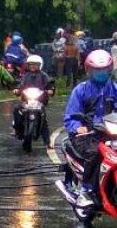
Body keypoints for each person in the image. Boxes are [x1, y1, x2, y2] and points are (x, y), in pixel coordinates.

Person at [63, 49, 117, 207]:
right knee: (95, 154)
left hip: (111, 134)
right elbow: (71, 116)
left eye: (104, 70)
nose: (101, 73)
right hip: (87, 135)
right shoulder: (80, 90)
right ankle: (86, 190)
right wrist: (78, 127)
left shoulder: (114, 89)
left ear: (110, 69)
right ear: (88, 70)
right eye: (97, 70)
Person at [11, 55, 55, 148]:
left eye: (35, 65)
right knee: (16, 109)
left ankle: (47, 142)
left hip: (40, 101)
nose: (33, 66)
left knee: (43, 121)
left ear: (40, 65)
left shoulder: (44, 76)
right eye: (31, 65)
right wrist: (17, 90)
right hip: (26, 101)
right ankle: (16, 128)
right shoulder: (25, 76)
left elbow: (50, 84)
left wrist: (50, 90)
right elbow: (19, 84)